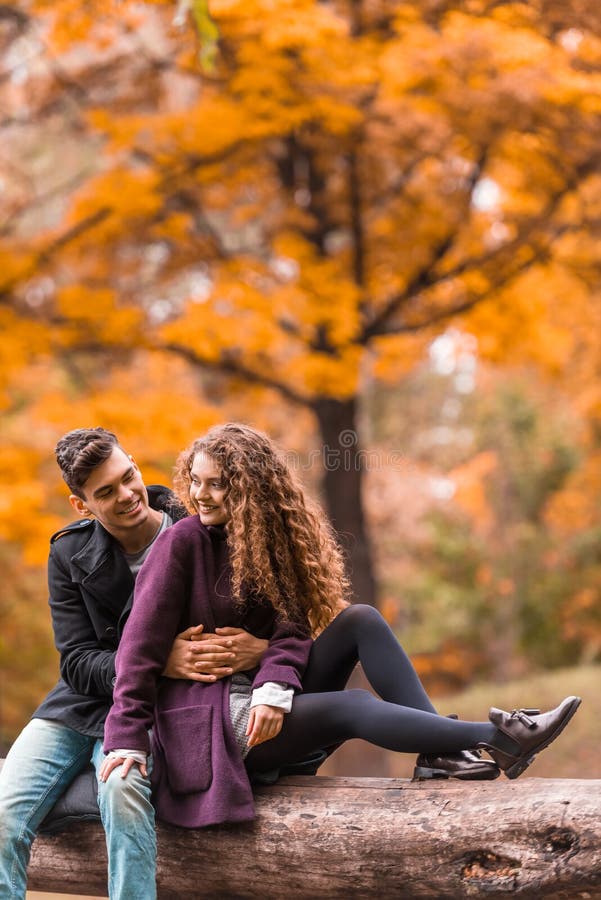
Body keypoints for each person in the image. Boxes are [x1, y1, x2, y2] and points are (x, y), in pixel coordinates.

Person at [100, 423, 581, 831]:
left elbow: (291, 636)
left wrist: (270, 680)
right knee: (353, 706)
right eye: (196, 480)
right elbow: (137, 652)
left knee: (360, 619)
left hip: (263, 699)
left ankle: (437, 755)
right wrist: (126, 739)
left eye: (218, 483)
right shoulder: (182, 543)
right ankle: (498, 737)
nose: (200, 494)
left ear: (250, 489)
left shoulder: (270, 546)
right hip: (210, 721)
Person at [0, 427, 268, 900]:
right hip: (76, 707)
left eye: (129, 476)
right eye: (105, 492)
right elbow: (77, 661)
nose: (127, 495)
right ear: (80, 505)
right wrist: (154, 659)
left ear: (137, 464)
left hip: (158, 707)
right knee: (4, 814)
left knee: (122, 796)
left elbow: (268, 611)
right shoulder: (67, 552)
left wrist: (261, 647)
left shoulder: (201, 523)